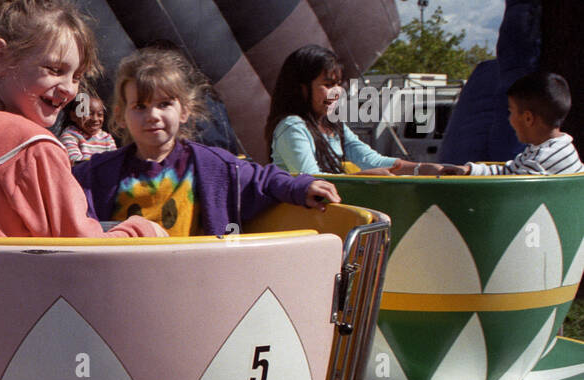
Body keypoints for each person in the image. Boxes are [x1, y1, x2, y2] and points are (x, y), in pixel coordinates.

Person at [0, 0, 166, 238]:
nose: (69, 90)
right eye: (54, 69)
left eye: (76, 77)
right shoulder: (35, 150)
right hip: (19, 284)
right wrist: (142, 231)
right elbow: (85, 250)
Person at [74, 48, 340, 235]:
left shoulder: (213, 165)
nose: (153, 115)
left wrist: (301, 186)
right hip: (124, 287)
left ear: (185, 110)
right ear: (121, 115)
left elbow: (263, 180)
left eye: (164, 104)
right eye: (140, 106)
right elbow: (64, 185)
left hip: (193, 285)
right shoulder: (100, 172)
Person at [267, 45, 440, 176]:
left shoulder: (334, 126)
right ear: (301, 88)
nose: (337, 92)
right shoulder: (292, 126)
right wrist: (365, 177)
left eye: (338, 84)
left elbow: (371, 160)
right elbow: (312, 181)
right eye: (327, 85)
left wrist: (425, 168)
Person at [445, 71, 582, 175]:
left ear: (528, 118)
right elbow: (507, 171)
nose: (509, 119)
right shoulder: (550, 148)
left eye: (511, 111)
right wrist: (467, 170)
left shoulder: (541, 160)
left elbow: (508, 190)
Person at [58, 93, 116, 163]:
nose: (95, 119)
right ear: (74, 116)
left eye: (100, 114)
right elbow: (76, 162)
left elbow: (115, 161)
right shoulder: (70, 136)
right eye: (88, 114)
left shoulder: (107, 138)